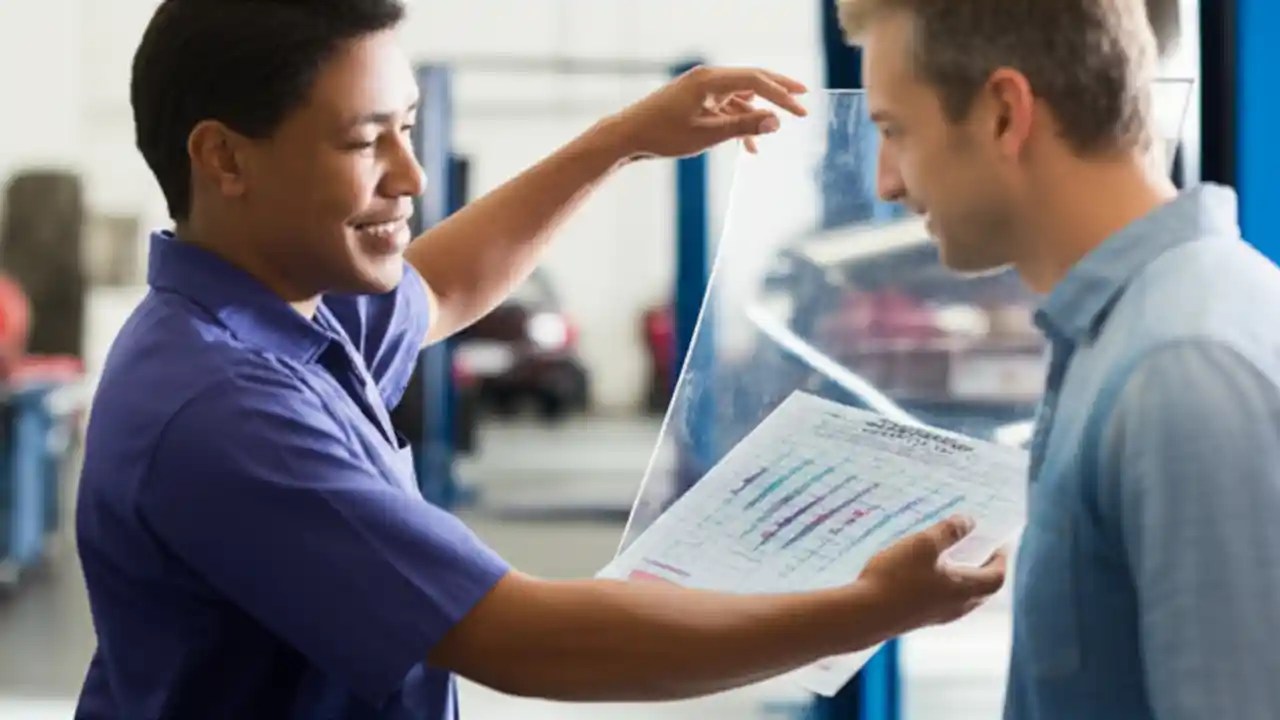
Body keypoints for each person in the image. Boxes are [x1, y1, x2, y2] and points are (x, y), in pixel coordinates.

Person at [73, 1, 1008, 718]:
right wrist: (861, 610)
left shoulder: (282, 314)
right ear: (224, 160)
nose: (412, 175)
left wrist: (626, 139)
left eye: (408, 126)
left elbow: (438, 289)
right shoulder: (220, 406)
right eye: (366, 142)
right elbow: (525, 638)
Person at [838, 0, 1280, 718]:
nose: (887, 182)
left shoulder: (1182, 373)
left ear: (1005, 113)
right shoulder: (1127, 337)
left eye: (896, 131)